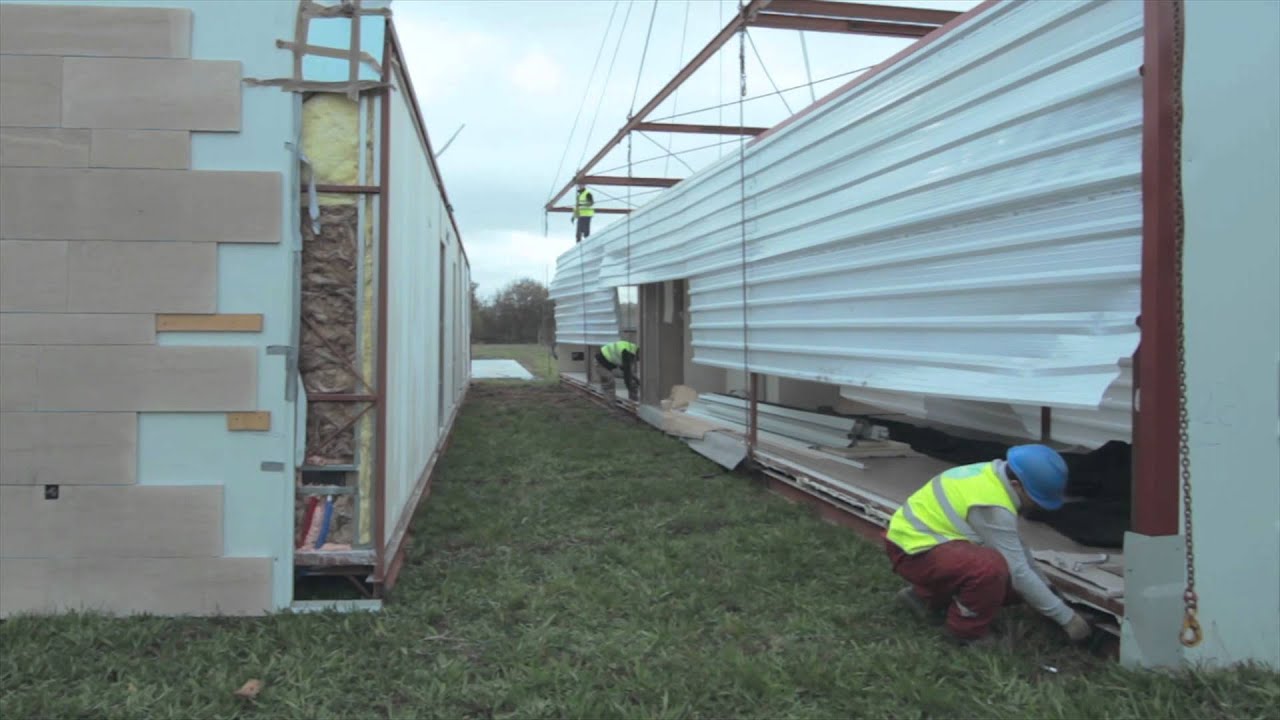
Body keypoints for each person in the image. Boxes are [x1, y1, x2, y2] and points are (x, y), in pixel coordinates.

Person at [884, 444, 1093, 646]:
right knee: (990, 569)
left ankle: (924, 598)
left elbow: (1019, 551)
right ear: (1016, 485)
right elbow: (1019, 572)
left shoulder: (992, 475)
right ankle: (966, 632)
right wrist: (1068, 620)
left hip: (922, 544)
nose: (1037, 506)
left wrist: (1050, 591)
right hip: (911, 550)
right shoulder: (992, 506)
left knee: (1009, 582)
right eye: (1036, 499)